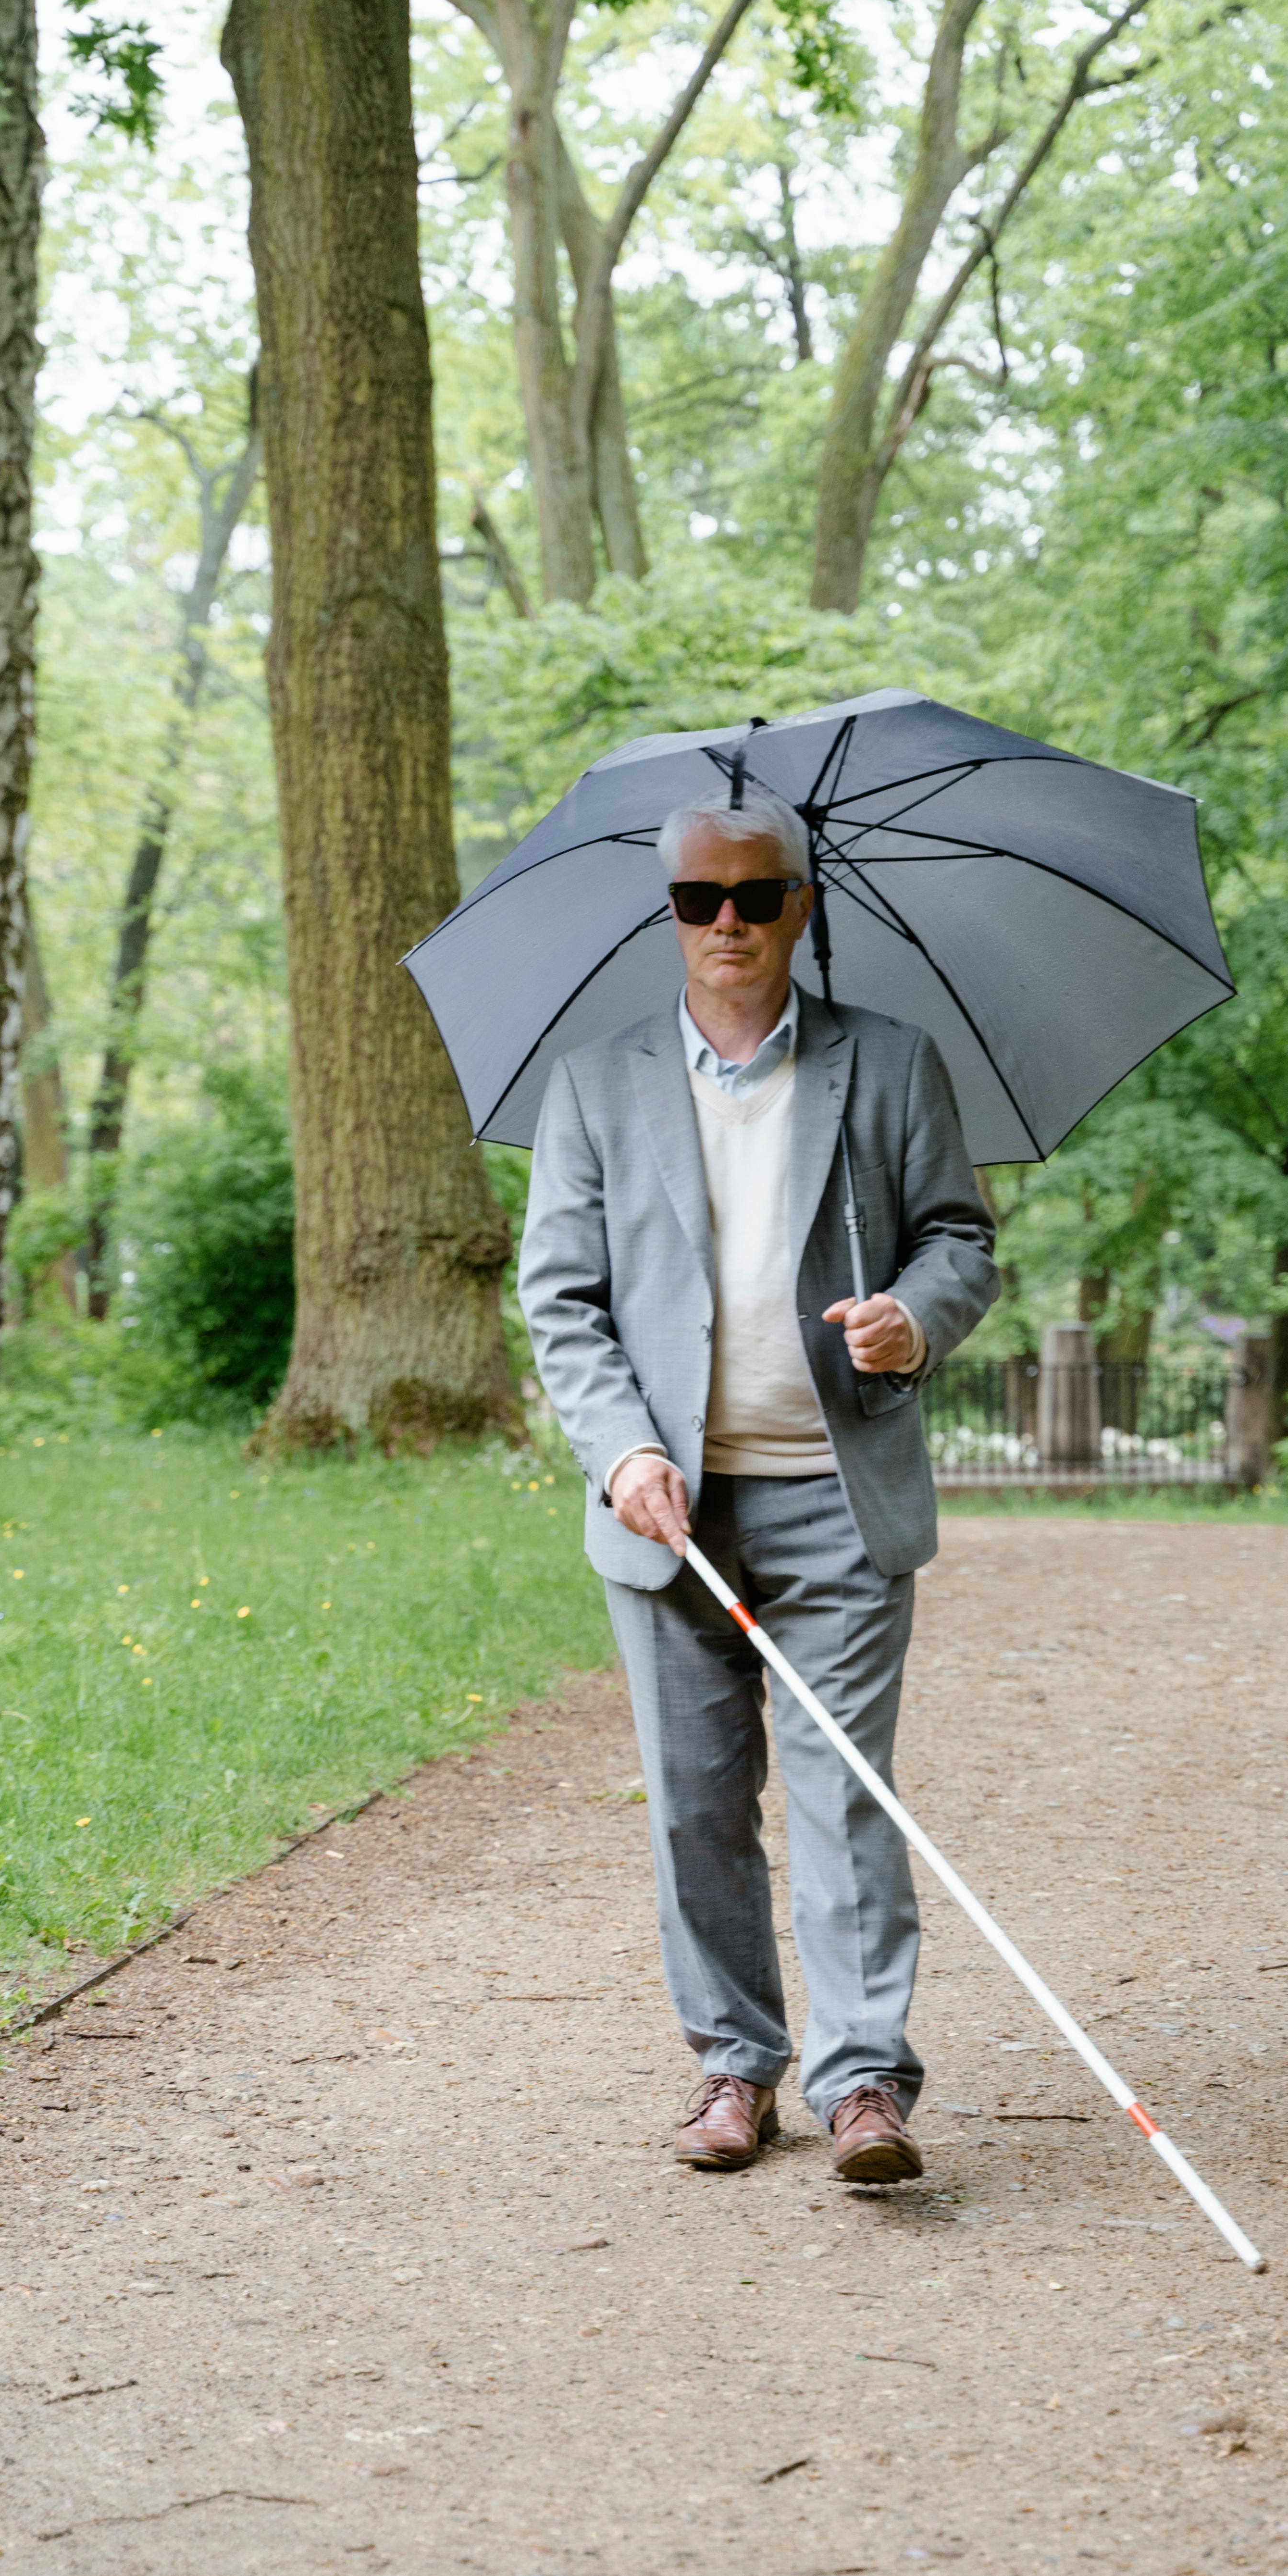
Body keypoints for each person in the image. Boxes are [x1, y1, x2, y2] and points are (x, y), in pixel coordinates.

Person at [518, 780, 997, 2179]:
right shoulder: (595, 1083)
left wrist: (915, 1313)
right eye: (695, 899)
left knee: (846, 1789)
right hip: (671, 1510)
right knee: (692, 1800)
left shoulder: (891, 1065)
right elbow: (561, 1300)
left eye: (754, 894)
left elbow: (962, 1241)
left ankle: (865, 2086)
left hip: (840, 1495)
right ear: (668, 914)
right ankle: (735, 2067)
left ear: (803, 902)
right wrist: (622, 1450)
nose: (726, 922)